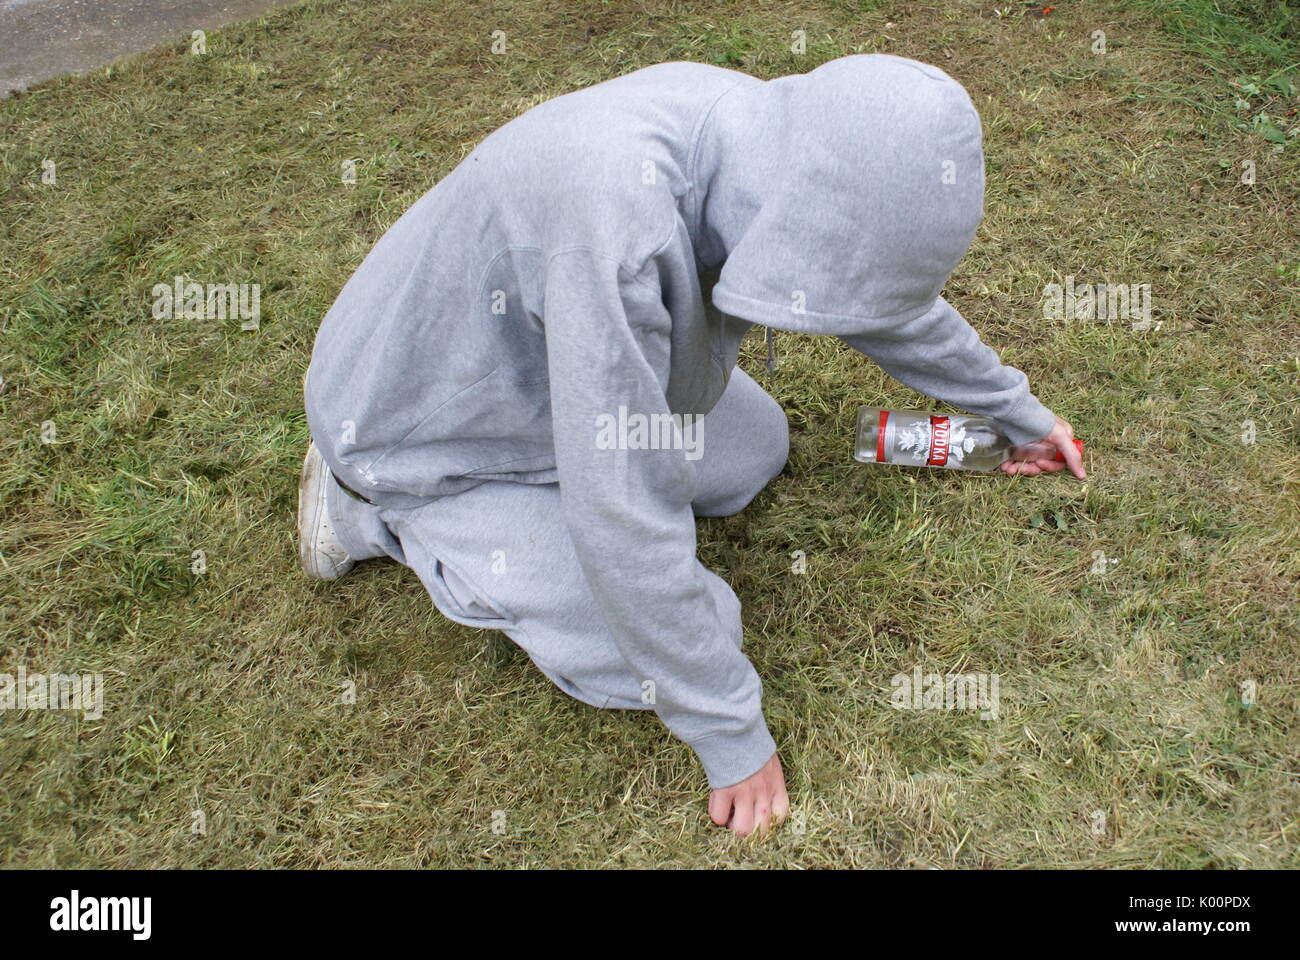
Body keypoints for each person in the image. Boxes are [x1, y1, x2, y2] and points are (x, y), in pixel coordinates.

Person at [298, 54, 1087, 837]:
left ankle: (537, 483)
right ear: (805, 213)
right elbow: (624, 514)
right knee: (689, 630)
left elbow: (876, 295)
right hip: (419, 430)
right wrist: (728, 731)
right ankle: (364, 508)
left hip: (537, 380)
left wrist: (1013, 411)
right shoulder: (615, 233)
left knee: (756, 447)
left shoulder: (757, 137)